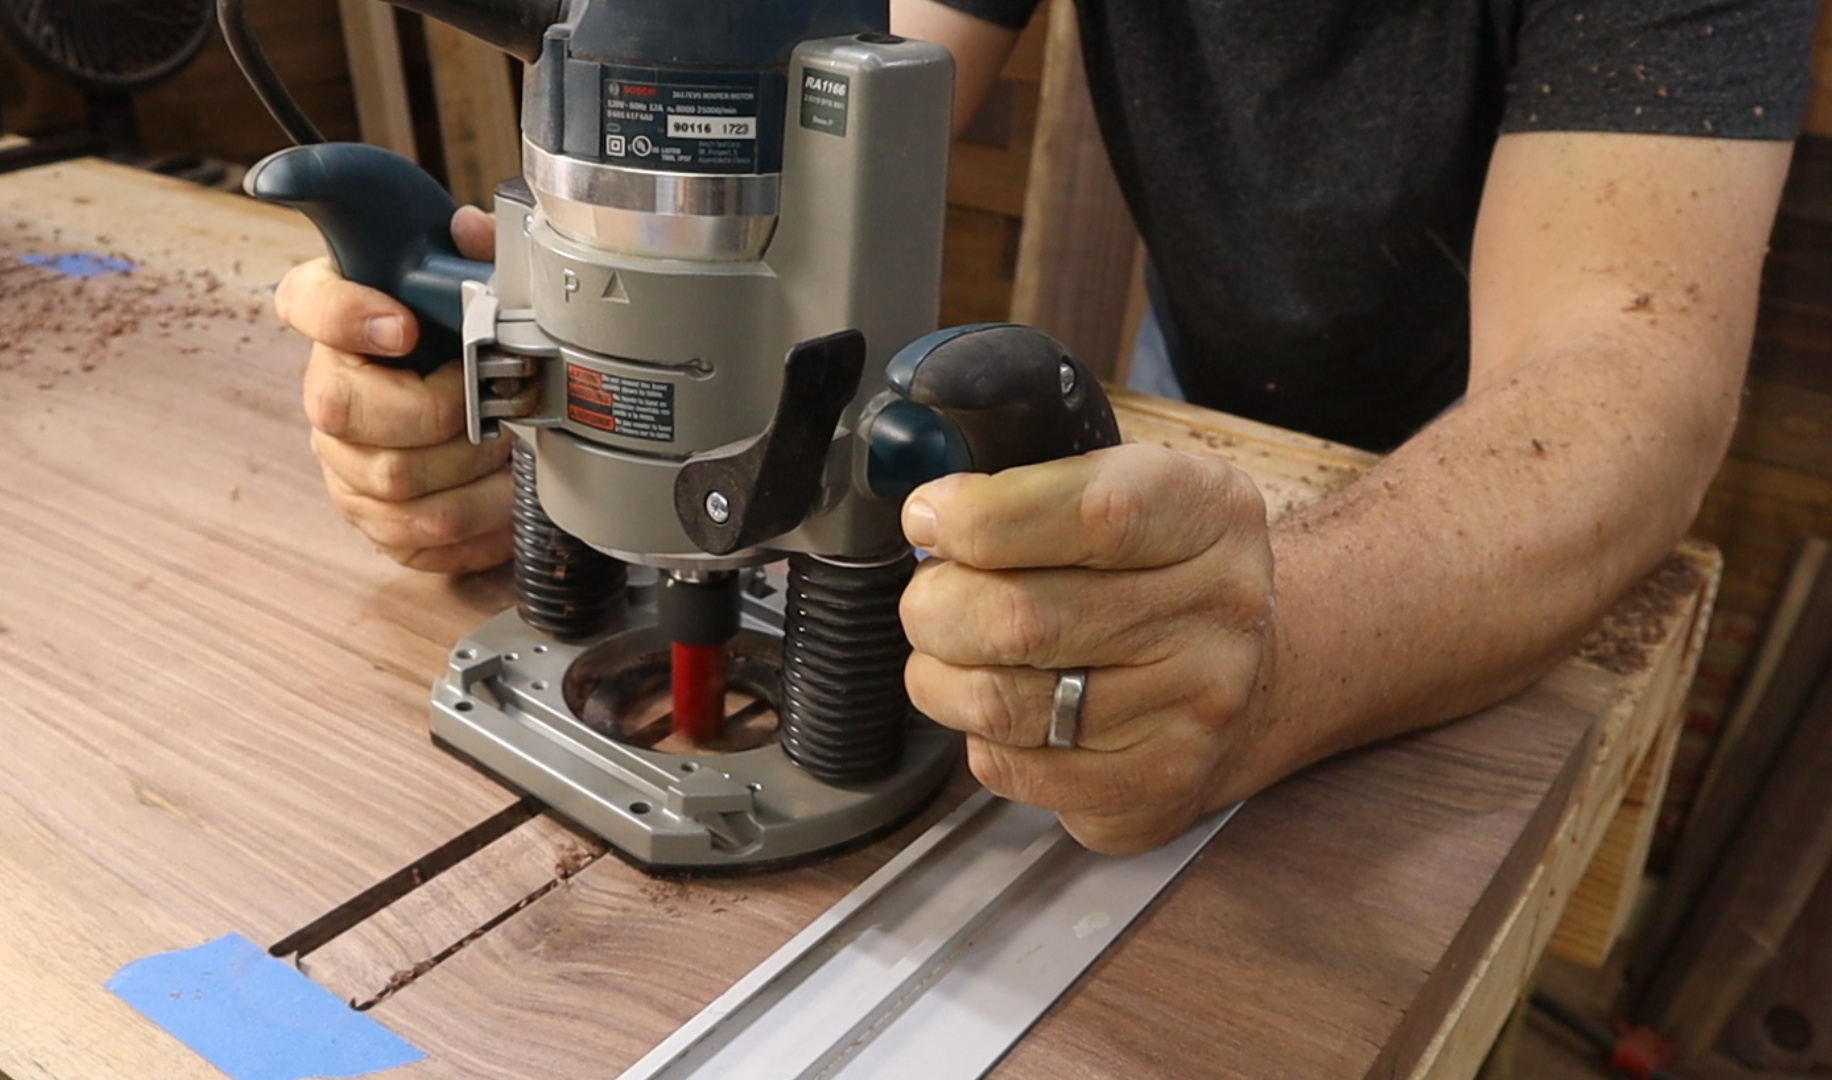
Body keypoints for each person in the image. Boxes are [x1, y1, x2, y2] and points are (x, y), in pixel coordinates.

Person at [273, 0, 1816, 855]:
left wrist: (1282, 647)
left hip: (1497, 459)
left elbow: (1625, 377)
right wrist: (549, 395)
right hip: (1206, 367)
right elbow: (842, 95)